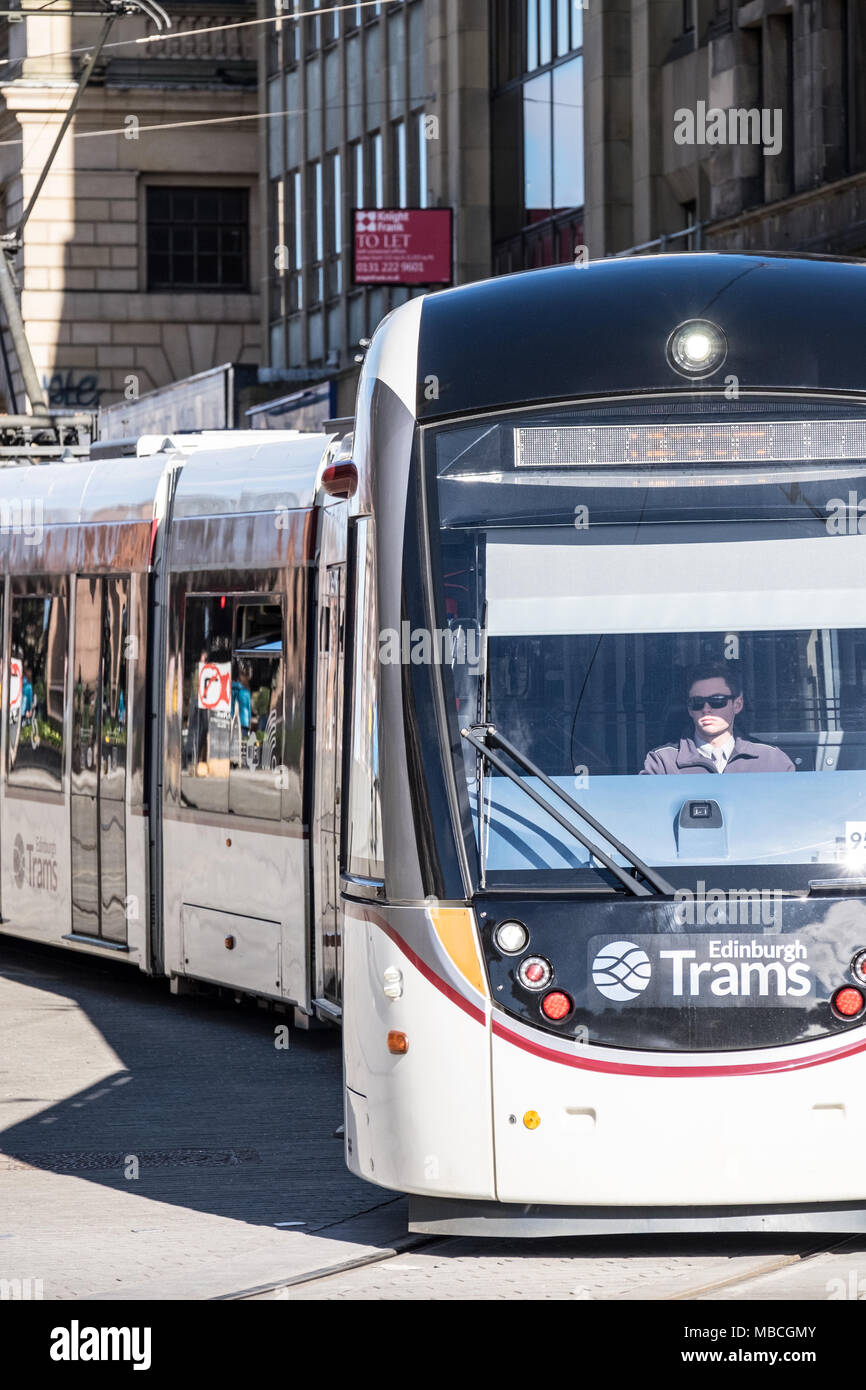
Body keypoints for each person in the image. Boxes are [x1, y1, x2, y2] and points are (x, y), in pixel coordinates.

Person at [640, 663, 795, 775]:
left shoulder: (772, 761)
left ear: (737, 704)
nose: (706, 708)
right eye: (697, 702)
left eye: (717, 701)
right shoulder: (663, 763)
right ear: (689, 709)